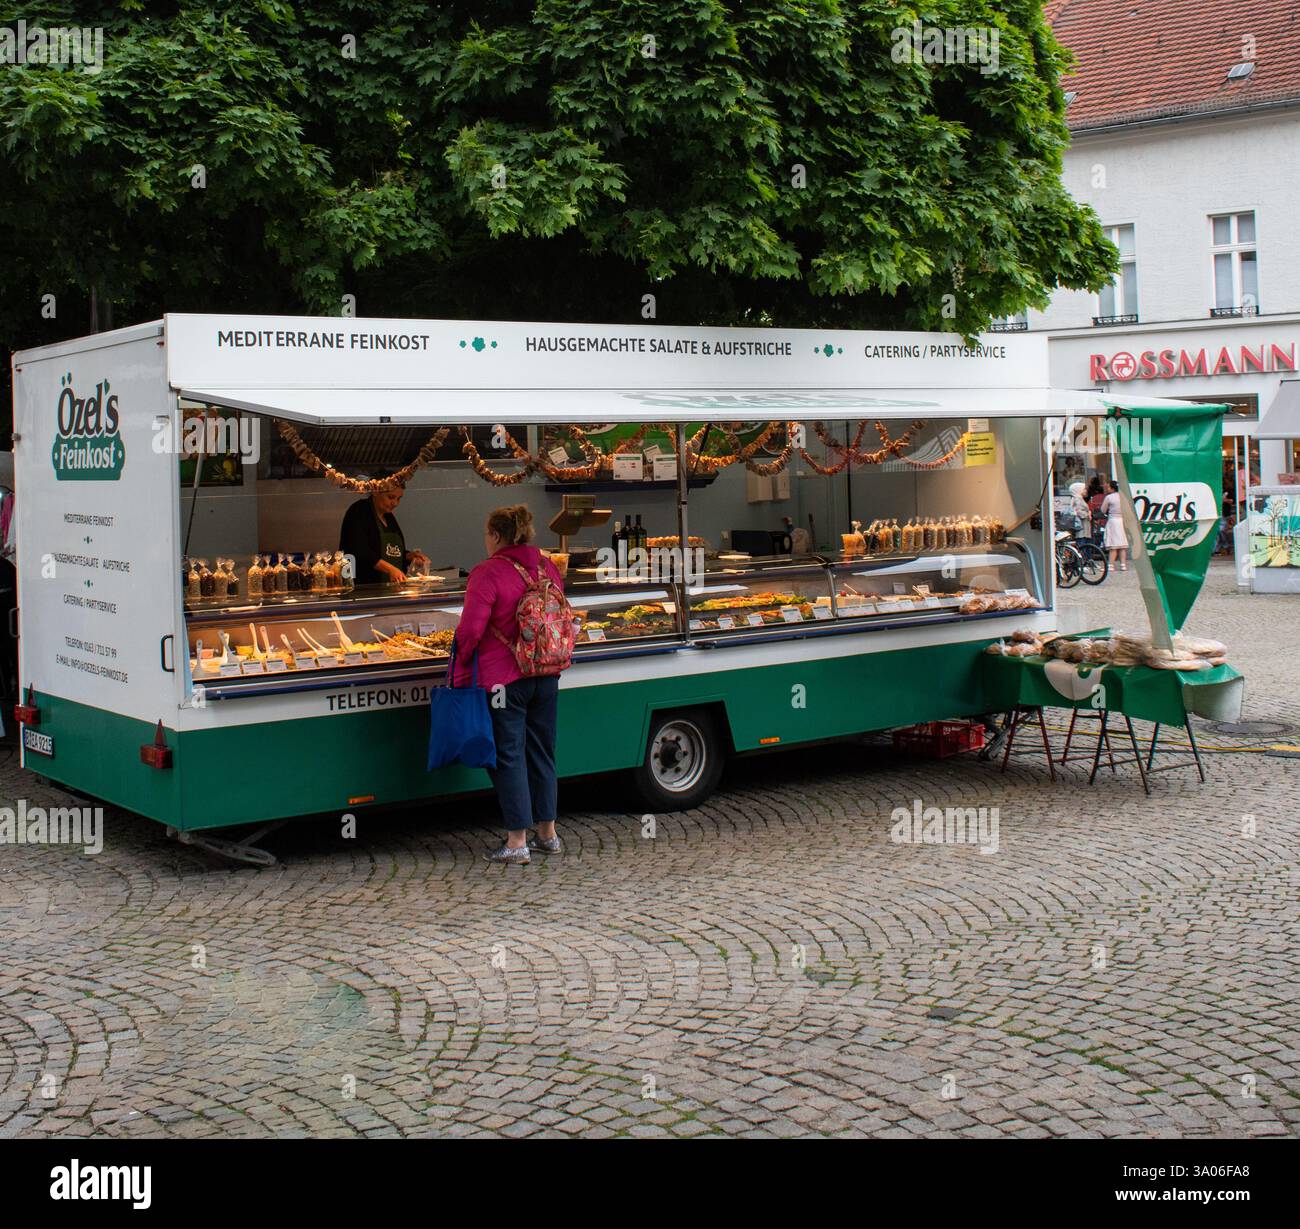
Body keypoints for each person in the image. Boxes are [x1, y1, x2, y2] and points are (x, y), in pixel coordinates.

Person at [453, 505, 566, 865]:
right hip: (546, 673)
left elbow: (470, 631)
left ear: (497, 535)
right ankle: (548, 834)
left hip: (504, 680)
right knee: (542, 752)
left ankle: (516, 841)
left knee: (509, 756)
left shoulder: (487, 573)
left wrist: (457, 669)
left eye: (487, 535)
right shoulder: (547, 567)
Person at [338, 477, 430, 584]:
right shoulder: (359, 511)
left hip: (389, 589)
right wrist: (390, 569)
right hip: (363, 587)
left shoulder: (389, 517)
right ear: (376, 492)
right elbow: (359, 552)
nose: (395, 503)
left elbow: (391, 551)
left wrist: (410, 556)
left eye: (399, 498)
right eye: (391, 497)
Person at [1100, 479, 1129, 571]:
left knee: (1113, 544)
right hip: (1122, 520)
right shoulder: (1124, 497)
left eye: (1108, 487)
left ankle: (1111, 565)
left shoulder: (1109, 497)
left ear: (1112, 488)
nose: (1107, 488)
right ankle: (1123, 565)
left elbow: (1103, 510)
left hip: (1113, 520)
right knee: (1122, 544)